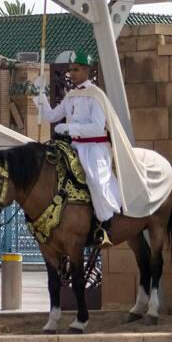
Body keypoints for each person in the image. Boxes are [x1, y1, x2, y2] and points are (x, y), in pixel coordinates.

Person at [35, 51, 126, 243]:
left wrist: (69, 127)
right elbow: (51, 116)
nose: (71, 73)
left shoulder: (96, 96)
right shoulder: (71, 95)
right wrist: (41, 95)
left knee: (96, 180)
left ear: (86, 70)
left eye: (75, 69)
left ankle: (106, 225)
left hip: (94, 148)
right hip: (74, 147)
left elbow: (96, 127)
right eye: (70, 70)